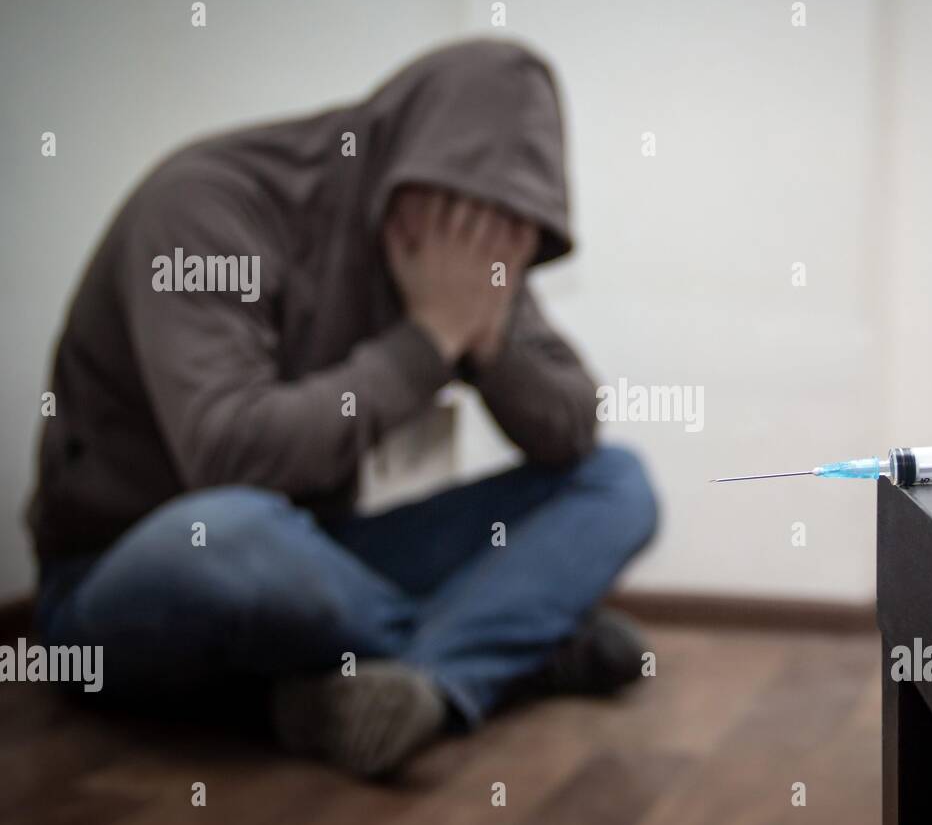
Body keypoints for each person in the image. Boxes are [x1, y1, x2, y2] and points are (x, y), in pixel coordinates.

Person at [26, 40, 658, 777]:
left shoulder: (469, 243)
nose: (488, 244)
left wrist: (488, 339)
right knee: (224, 532)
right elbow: (231, 457)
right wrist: (431, 340)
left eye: (514, 233)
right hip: (136, 576)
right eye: (473, 216)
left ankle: (426, 677)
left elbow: (571, 432)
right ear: (406, 170)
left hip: (324, 556)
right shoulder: (207, 204)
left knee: (617, 483)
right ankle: (508, 652)